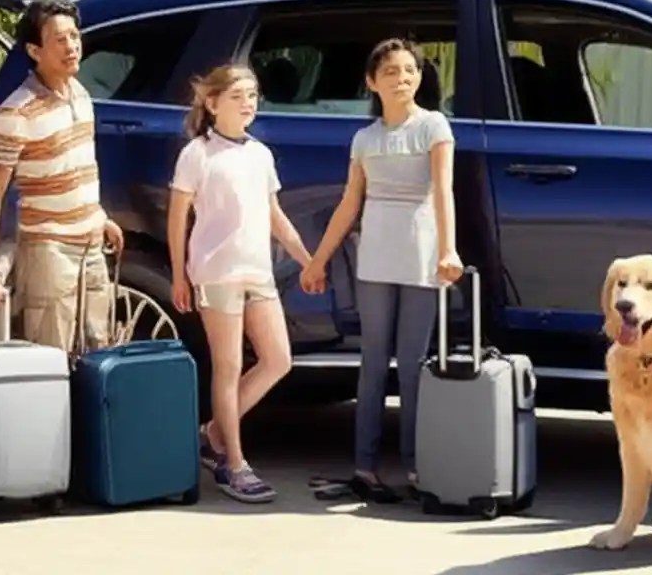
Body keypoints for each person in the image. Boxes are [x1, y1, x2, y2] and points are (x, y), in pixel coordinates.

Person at [301, 38, 463, 501]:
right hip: (375, 256)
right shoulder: (365, 138)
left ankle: (415, 467)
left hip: (420, 254)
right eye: (390, 71)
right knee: (372, 363)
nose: (402, 79)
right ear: (372, 82)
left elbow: (443, 191)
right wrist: (317, 260)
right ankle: (365, 468)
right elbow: (350, 202)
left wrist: (447, 250)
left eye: (409, 70)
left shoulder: (434, 126)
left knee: (412, 365)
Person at [168, 63, 311, 504]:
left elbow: (275, 216)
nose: (248, 102)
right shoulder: (198, 154)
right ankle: (234, 461)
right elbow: (177, 218)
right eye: (237, 95)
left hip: (257, 271)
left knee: (277, 360)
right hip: (216, 271)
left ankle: (213, 432)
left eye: (252, 94)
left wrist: (309, 259)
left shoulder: (260, 154)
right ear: (211, 104)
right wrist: (179, 274)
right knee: (227, 366)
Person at [0, 0, 123, 353]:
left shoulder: (81, 95)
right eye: (59, 39)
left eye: (74, 36)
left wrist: (101, 216)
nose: (71, 46)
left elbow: (80, 169)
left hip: (92, 247)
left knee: (98, 351)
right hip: (49, 250)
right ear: (34, 50)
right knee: (52, 356)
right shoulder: (15, 113)